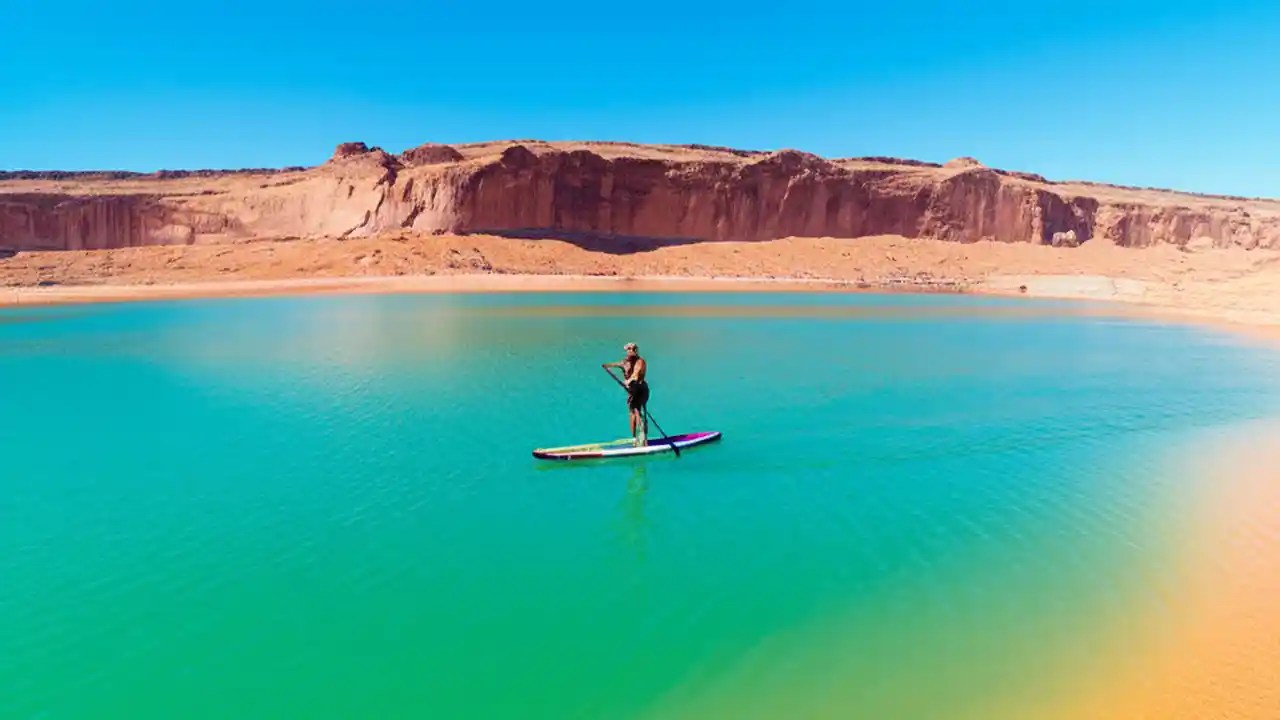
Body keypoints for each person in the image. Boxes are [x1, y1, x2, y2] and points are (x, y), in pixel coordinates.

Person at [603, 342, 649, 446]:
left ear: (635, 351)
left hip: (641, 389)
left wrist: (629, 381)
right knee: (632, 412)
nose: (629, 352)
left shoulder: (640, 362)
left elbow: (636, 374)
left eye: (631, 350)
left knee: (638, 412)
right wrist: (607, 366)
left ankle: (643, 438)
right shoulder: (625, 362)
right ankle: (634, 439)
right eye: (627, 350)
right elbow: (617, 364)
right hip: (632, 391)